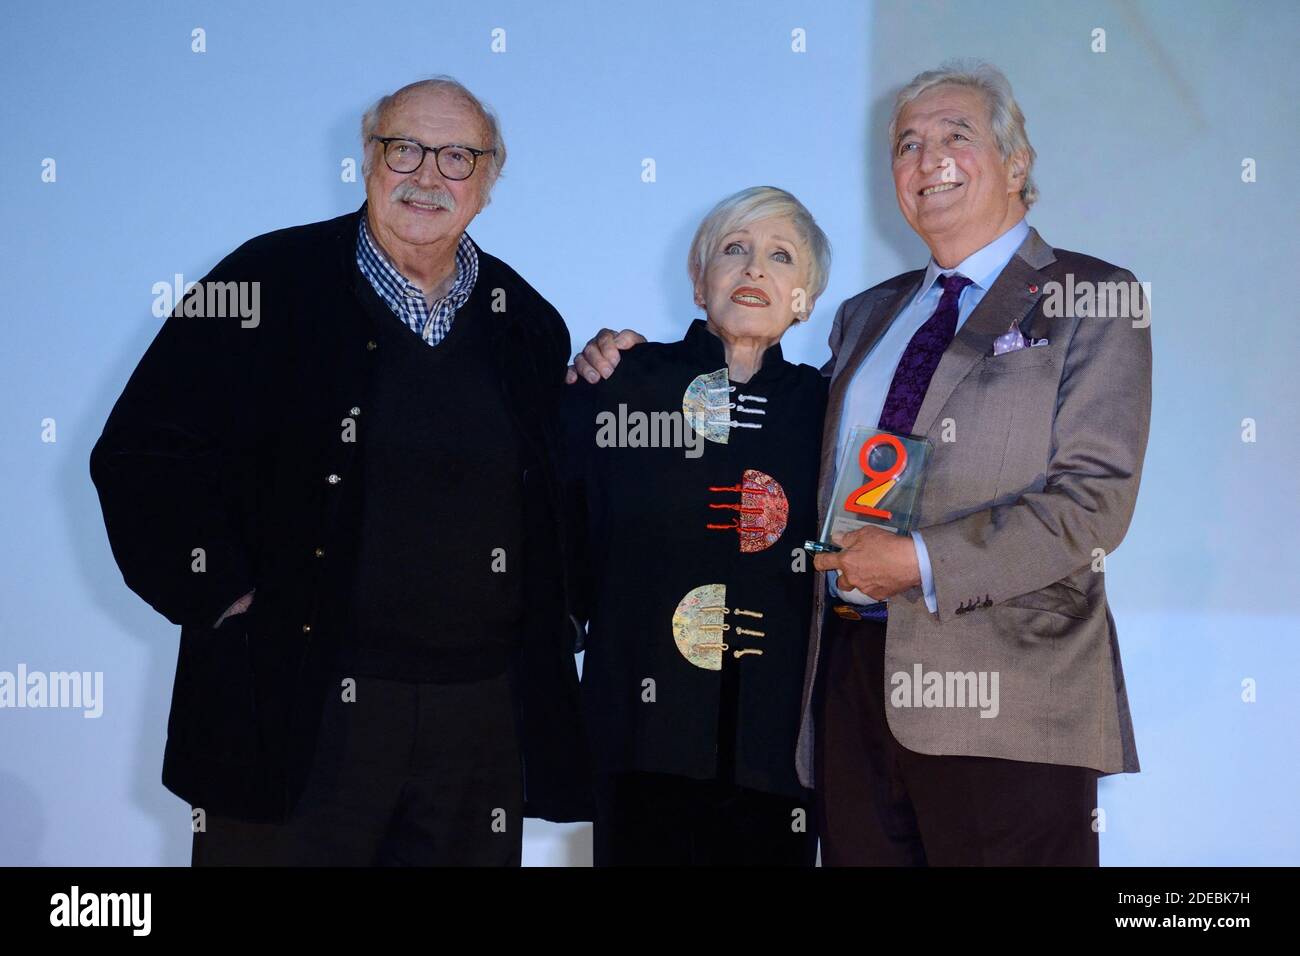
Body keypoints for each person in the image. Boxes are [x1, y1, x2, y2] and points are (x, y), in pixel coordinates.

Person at [569, 60, 1151, 866]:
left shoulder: (1094, 297)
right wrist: (609, 361)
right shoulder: (868, 316)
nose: (928, 156)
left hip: (1007, 701)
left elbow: (1092, 502)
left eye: (957, 134)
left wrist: (915, 560)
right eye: (907, 142)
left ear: (1018, 164)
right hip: (840, 700)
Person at [90, 76, 590, 866]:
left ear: (489, 184)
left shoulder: (527, 322)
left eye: (458, 157)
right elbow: (143, 450)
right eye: (406, 149)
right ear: (367, 159)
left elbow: (561, 497)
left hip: (477, 726)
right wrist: (219, 590)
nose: (429, 177)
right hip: (295, 705)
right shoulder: (264, 281)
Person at [564, 186, 830, 865]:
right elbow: (560, 537)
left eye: (780, 256)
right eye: (733, 250)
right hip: (642, 743)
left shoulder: (830, 410)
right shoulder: (621, 383)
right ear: (698, 279)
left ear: (807, 295)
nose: (754, 271)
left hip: (779, 757)